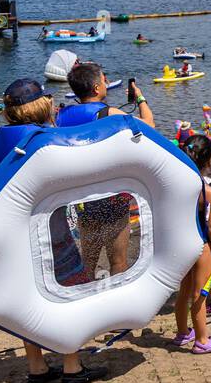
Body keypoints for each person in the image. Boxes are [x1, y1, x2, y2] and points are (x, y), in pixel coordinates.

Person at [0, 78, 106, 383]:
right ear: (41, 105)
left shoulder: (3, 139)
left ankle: (37, 367)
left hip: (14, 231)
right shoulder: (44, 141)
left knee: (28, 299)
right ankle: (72, 366)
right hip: (50, 229)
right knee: (69, 293)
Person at [57, 62, 153, 279]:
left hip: (83, 196)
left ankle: (84, 301)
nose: (106, 83)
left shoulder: (61, 116)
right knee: (118, 262)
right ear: (96, 88)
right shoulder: (109, 113)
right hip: (112, 194)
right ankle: (118, 307)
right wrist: (139, 97)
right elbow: (149, 126)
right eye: (104, 80)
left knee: (88, 262)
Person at [172, 135, 211, 353]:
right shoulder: (208, 192)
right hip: (200, 244)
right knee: (200, 293)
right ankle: (202, 340)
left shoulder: (175, 184)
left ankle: (182, 333)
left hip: (180, 243)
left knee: (184, 292)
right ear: (209, 161)